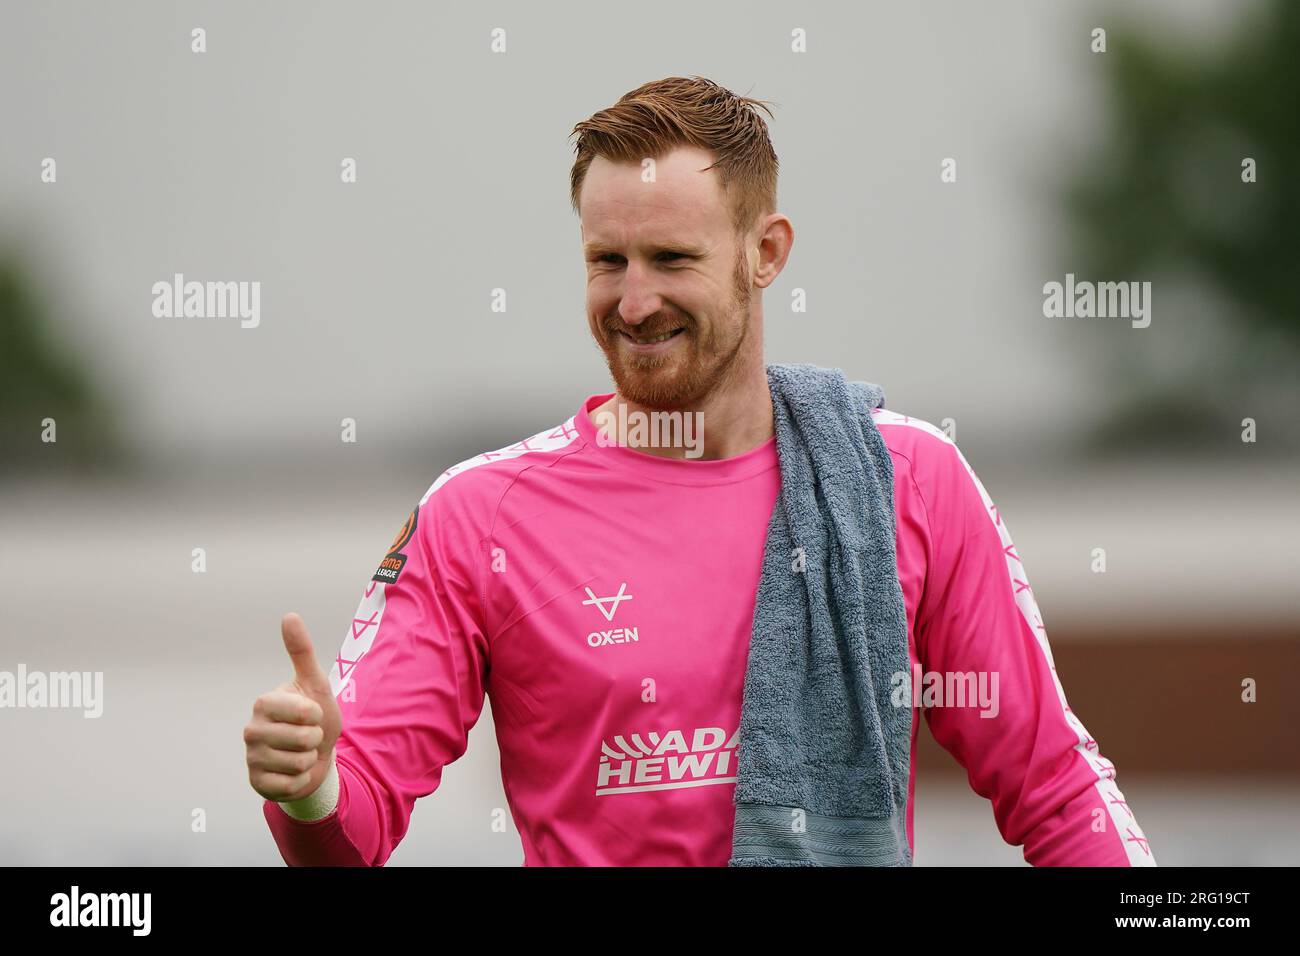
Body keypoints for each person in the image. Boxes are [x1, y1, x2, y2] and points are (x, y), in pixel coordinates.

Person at [242, 75, 1155, 867]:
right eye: (608, 262)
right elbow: (350, 833)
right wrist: (312, 786)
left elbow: (1055, 787)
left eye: (672, 259)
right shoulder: (480, 515)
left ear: (765, 254)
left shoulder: (903, 480)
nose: (634, 303)